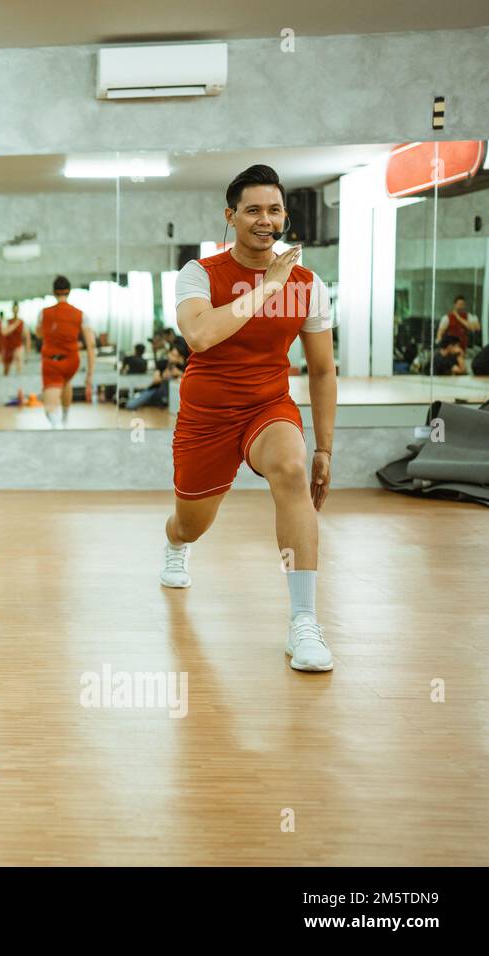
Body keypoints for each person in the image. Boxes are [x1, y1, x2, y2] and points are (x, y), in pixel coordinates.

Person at [162, 164, 338, 673]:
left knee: (291, 468)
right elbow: (200, 336)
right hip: (207, 414)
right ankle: (175, 542)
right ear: (231, 216)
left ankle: (303, 621)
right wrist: (267, 285)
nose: (267, 220)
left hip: (268, 406)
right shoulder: (199, 274)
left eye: (275, 209)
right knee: (193, 523)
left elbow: (323, 371)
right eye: (254, 209)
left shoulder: (307, 284)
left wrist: (323, 448)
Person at [39, 276, 97, 426]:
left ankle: (57, 423)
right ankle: (65, 415)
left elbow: (39, 334)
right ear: (69, 292)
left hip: (52, 362)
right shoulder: (81, 314)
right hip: (72, 362)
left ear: (53, 292)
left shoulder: (43, 313)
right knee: (66, 380)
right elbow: (91, 345)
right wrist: (90, 374)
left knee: (50, 410)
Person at [126, 342, 189, 410]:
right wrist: (164, 377)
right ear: (169, 353)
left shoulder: (183, 367)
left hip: (173, 395)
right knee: (131, 405)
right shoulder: (162, 363)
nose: (174, 357)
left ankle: (161, 401)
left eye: (177, 356)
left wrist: (179, 373)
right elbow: (155, 380)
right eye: (173, 354)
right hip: (155, 390)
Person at [0, 303, 29, 376]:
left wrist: (28, 350)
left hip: (18, 346)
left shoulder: (22, 322)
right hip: (8, 347)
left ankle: (18, 378)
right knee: (6, 368)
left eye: (17, 309)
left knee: (19, 363)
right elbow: (4, 332)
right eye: (14, 309)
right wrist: (15, 325)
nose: (15, 311)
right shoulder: (6, 321)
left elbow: (27, 336)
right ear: (12, 310)